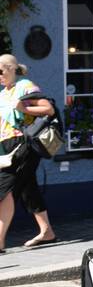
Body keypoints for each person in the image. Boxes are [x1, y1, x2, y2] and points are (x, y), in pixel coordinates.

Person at [0, 54, 57, 251]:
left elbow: (48, 109)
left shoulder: (25, 86)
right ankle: (46, 231)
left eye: (1, 71)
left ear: (11, 69)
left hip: (23, 143)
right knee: (27, 188)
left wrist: (23, 107)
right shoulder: (2, 93)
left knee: (4, 187)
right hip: (6, 145)